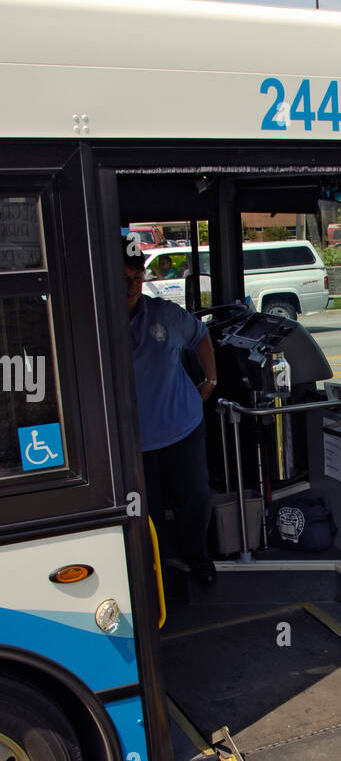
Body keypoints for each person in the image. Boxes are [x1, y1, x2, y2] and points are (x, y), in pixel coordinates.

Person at [123, 238, 219, 586]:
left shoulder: (166, 314)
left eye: (136, 277)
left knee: (194, 499)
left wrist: (209, 380)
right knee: (147, 513)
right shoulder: (95, 321)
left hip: (183, 426)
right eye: (123, 278)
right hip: (133, 441)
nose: (131, 286)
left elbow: (202, 336)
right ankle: (154, 573)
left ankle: (198, 558)